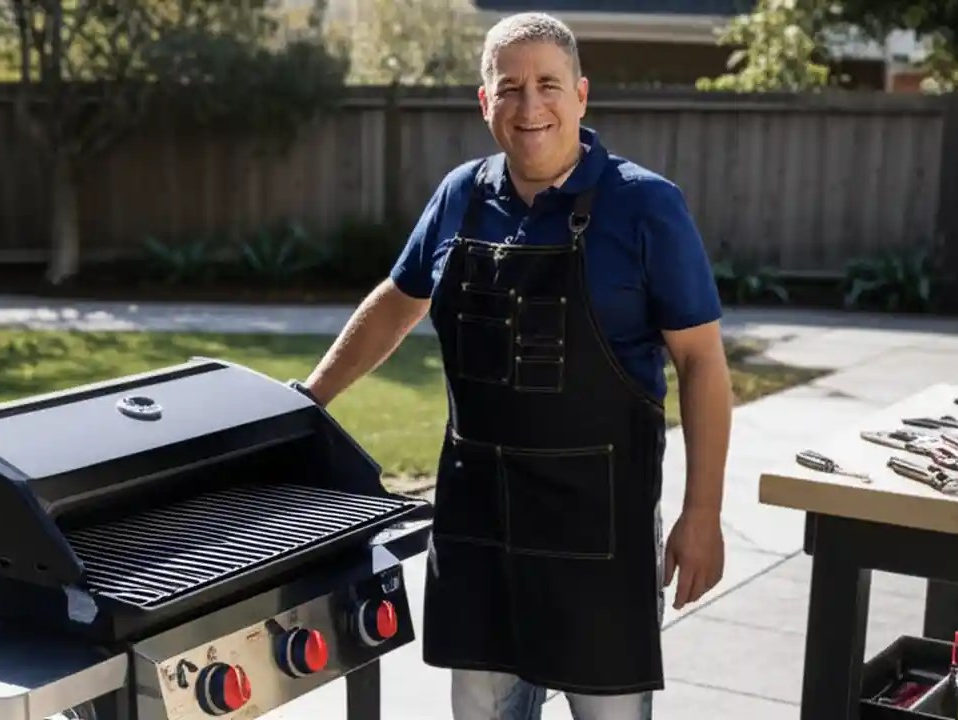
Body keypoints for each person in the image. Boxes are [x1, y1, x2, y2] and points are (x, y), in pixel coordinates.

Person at [299, 11, 733, 720]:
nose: (530, 107)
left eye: (548, 85)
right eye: (510, 88)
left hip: (600, 538)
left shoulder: (647, 206)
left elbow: (703, 364)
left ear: (582, 95)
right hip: (476, 534)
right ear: (484, 101)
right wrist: (310, 399)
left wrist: (703, 512)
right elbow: (396, 302)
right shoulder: (460, 196)